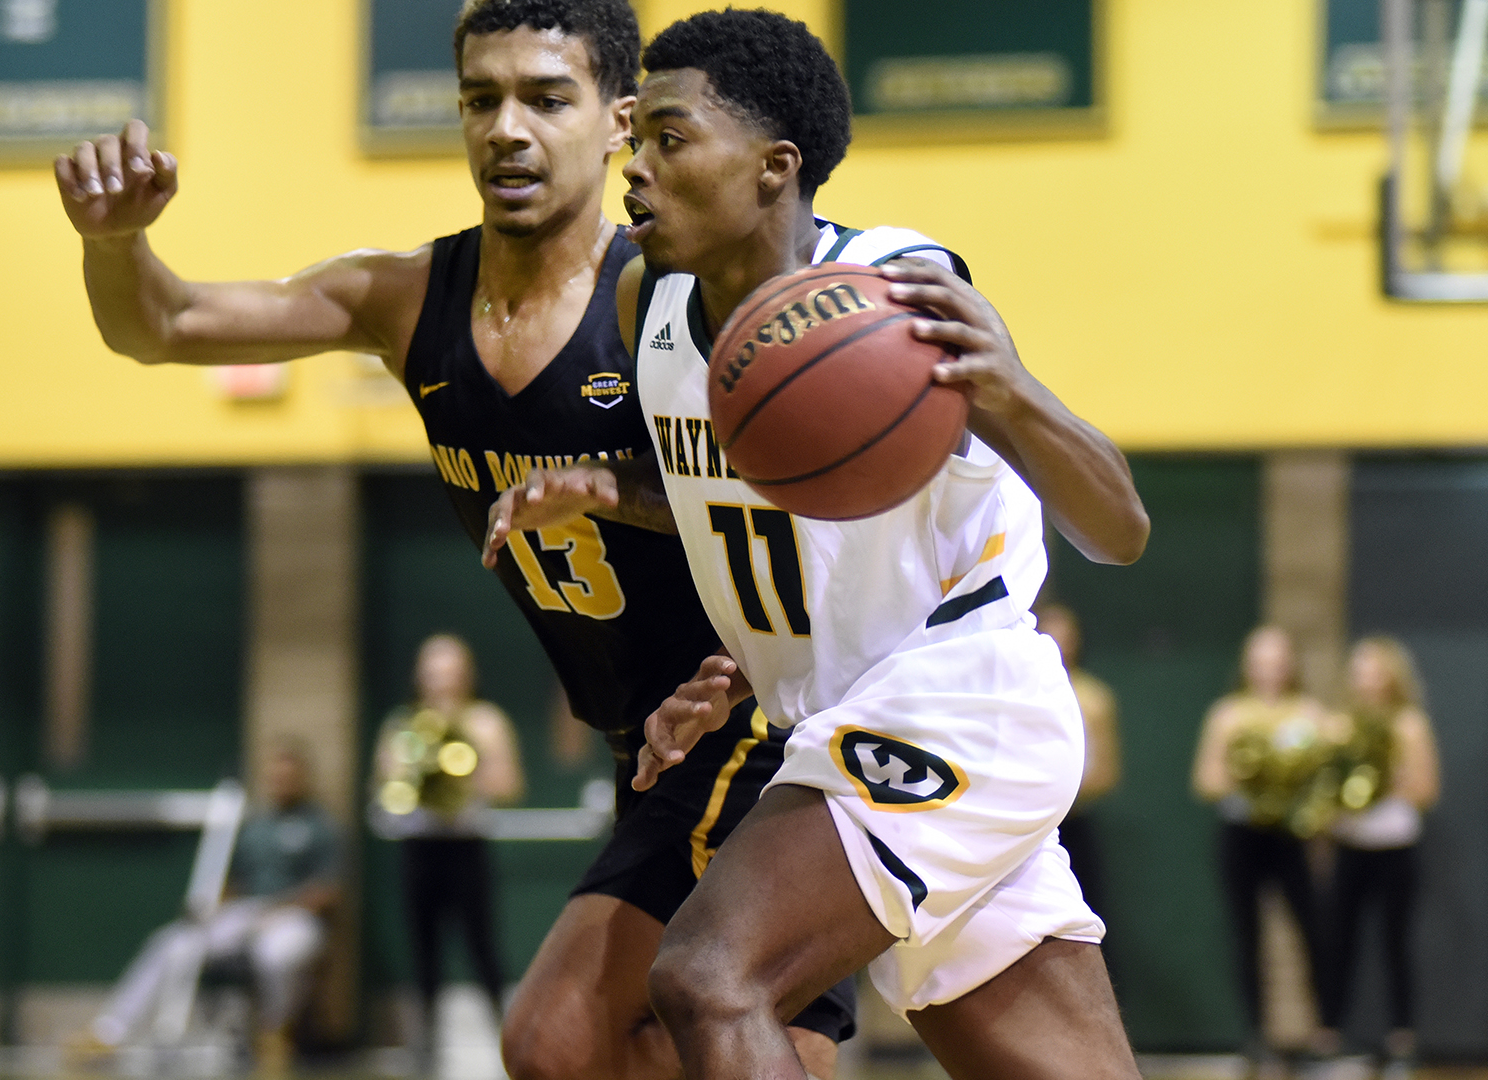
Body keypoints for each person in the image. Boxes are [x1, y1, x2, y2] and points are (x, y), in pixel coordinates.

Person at [50, 2, 856, 1076]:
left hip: (753, 720)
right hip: (642, 743)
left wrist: (627, 503)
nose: (506, 128)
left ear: (621, 121)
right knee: (644, 1044)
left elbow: (799, 492)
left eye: (545, 98)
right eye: (482, 99)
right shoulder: (408, 293)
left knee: (591, 1036)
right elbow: (163, 324)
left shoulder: (669, 294)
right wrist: (116, 242)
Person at [484, 11, 1151, 1078]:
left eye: (669, 137)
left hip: (958, 699)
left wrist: (1015, 394)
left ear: (773, 167)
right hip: (840, 713)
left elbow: (1118, 528)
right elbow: (747, 498)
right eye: (632, 139)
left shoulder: (894, 293)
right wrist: (633, 518)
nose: (633, 170)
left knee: (708, 977)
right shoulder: (648, 306)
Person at [74, 744, 340, 1074]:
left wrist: (282, 909)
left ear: (302, 778)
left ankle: (274, 1035)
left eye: (289, 776)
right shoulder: (255, 826)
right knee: (174, 943)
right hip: (248, 912)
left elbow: (329, 889)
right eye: (275, 776)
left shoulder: (320, 826)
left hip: (295, 916)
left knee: (278, 955)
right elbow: (235, 882)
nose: (281, 782)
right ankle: (109, 1032)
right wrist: (213, 906)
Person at [1191, 625, 1334, 1072]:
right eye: (1260, 660)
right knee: (1247, 934)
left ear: (1290, 665)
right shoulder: (1228, 714)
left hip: (1291, 835)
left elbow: (1331, 774)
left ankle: (1322, 1032)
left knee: (1312, 928)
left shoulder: (1310, 713)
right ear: (1247, 665)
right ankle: (1256, 1035)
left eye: (1277, 660)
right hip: (1243, 834)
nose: (1269, 670)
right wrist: (1258, 777)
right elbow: (1207, 780)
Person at [370, 635, 524, 1037]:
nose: (441, 682)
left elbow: (509, 785)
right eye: (433, 673)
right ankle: (426, 1046)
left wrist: (462, 773)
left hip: (466, 846)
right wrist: (417, 776)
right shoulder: (402, 724)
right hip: (419, 847)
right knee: (423, 951)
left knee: (483, 947)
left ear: (467, 676)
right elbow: (384, 786)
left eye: (450, 672)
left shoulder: (487, 721)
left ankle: (503, 1039)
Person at [1323, 637, 1439, 1079]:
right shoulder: (1341, 724)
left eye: (1376, 672)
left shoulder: (1408, 724)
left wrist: (1385, 778)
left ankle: (1401, 1038)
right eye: (1360, 671)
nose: (1367, 681)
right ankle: (1329, 1037)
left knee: (1396, 943)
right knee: (1338, 942)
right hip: (1349, 847)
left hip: (1395, 848)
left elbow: (1426, 791)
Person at [1035, 604, 1123, 973]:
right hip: (1027, 826)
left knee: (1086, 911)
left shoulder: (1094, 698)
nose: (1059, 643)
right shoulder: (1019, 691)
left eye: (1066, 635)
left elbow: (1107, 771)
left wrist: (1063, 792)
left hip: (1074, 822)